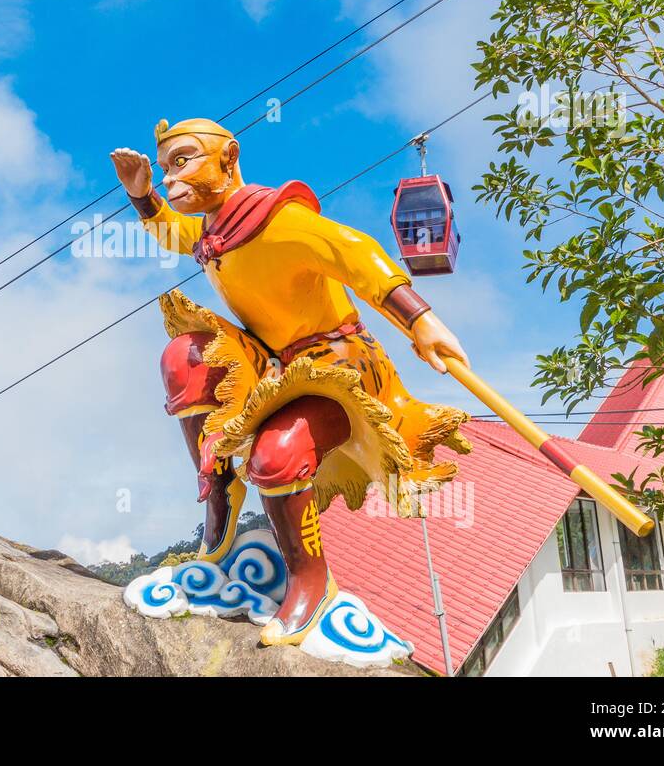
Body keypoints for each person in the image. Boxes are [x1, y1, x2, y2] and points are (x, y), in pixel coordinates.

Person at [110, 117, 472, 646]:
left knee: (277, 453)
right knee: (184, 357)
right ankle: (218, 485)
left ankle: (310, 578)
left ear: (229, 159)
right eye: (165, 169)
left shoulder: (281, 220)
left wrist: (420, 320)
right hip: (272, 363)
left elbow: (357, 253)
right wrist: (142, 198)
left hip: (337, 365)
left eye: (181, 162)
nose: (169, 178)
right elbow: (175, 232)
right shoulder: (215, 230)